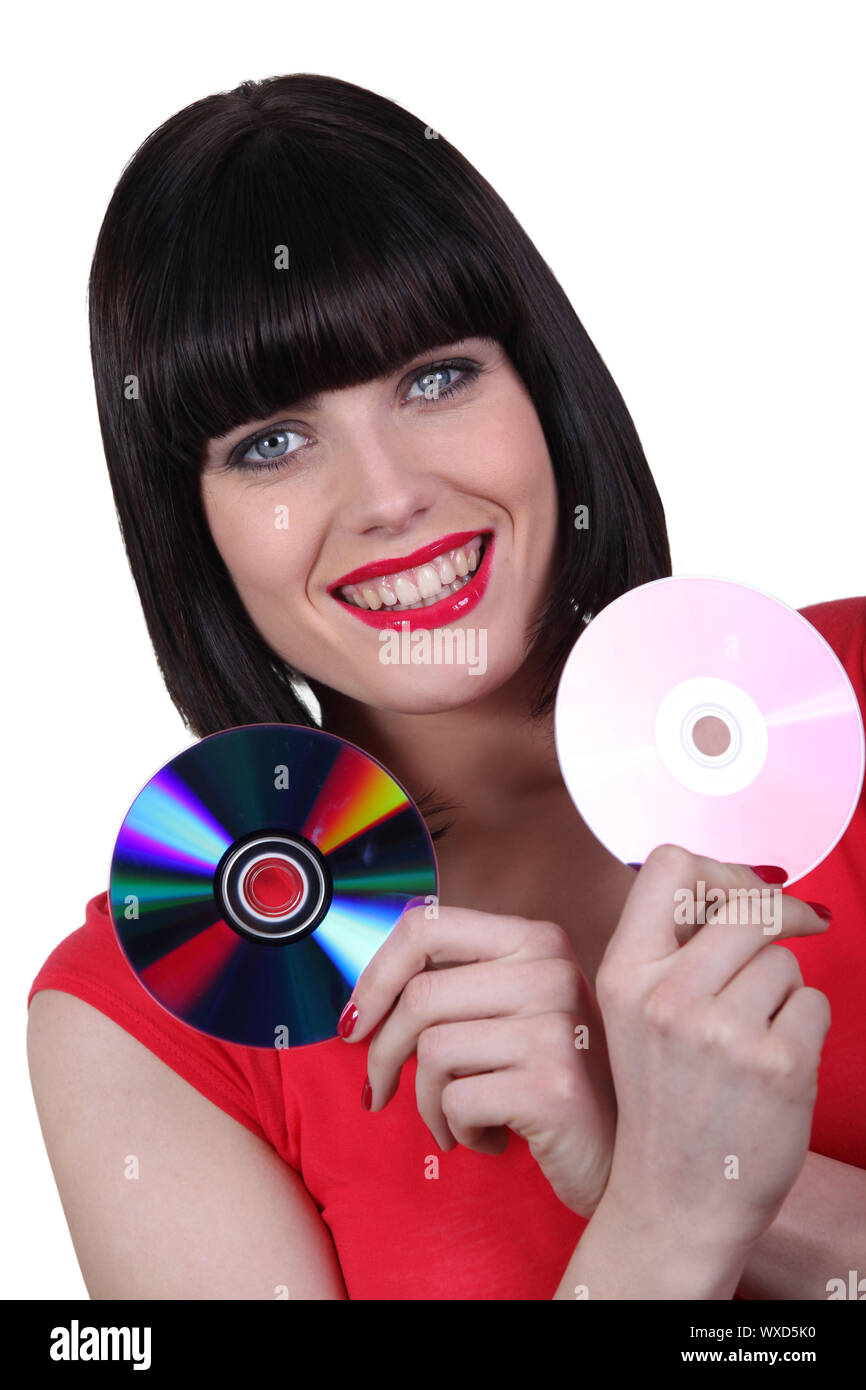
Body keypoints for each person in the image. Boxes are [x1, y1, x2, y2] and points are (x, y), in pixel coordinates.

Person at [26, 73, 866, 1301]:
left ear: (541, 388)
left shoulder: (839, 700)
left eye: (433, 377)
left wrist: (737, 1183)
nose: (385, 494)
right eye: (270, 440)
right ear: (188, 526)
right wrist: (663, 1214)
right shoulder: (154, 1010)